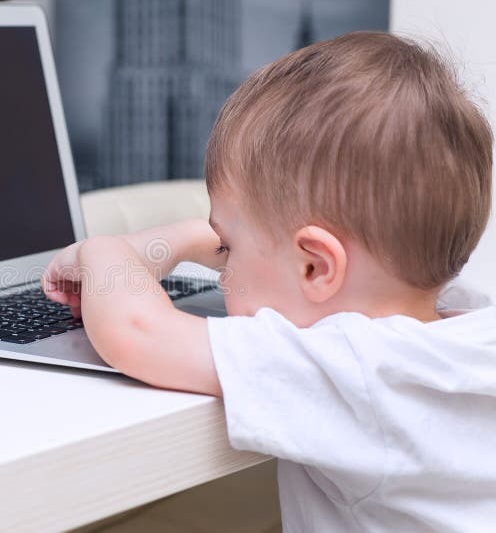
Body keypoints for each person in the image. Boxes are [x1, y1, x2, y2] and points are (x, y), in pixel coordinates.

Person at [42, 32, 496, 531]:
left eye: (229, 248)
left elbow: (137, 331)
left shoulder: (352, 370)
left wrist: (102, 249)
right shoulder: (463, 327)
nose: (224, 260)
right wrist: (204, 238)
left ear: (315, 267)